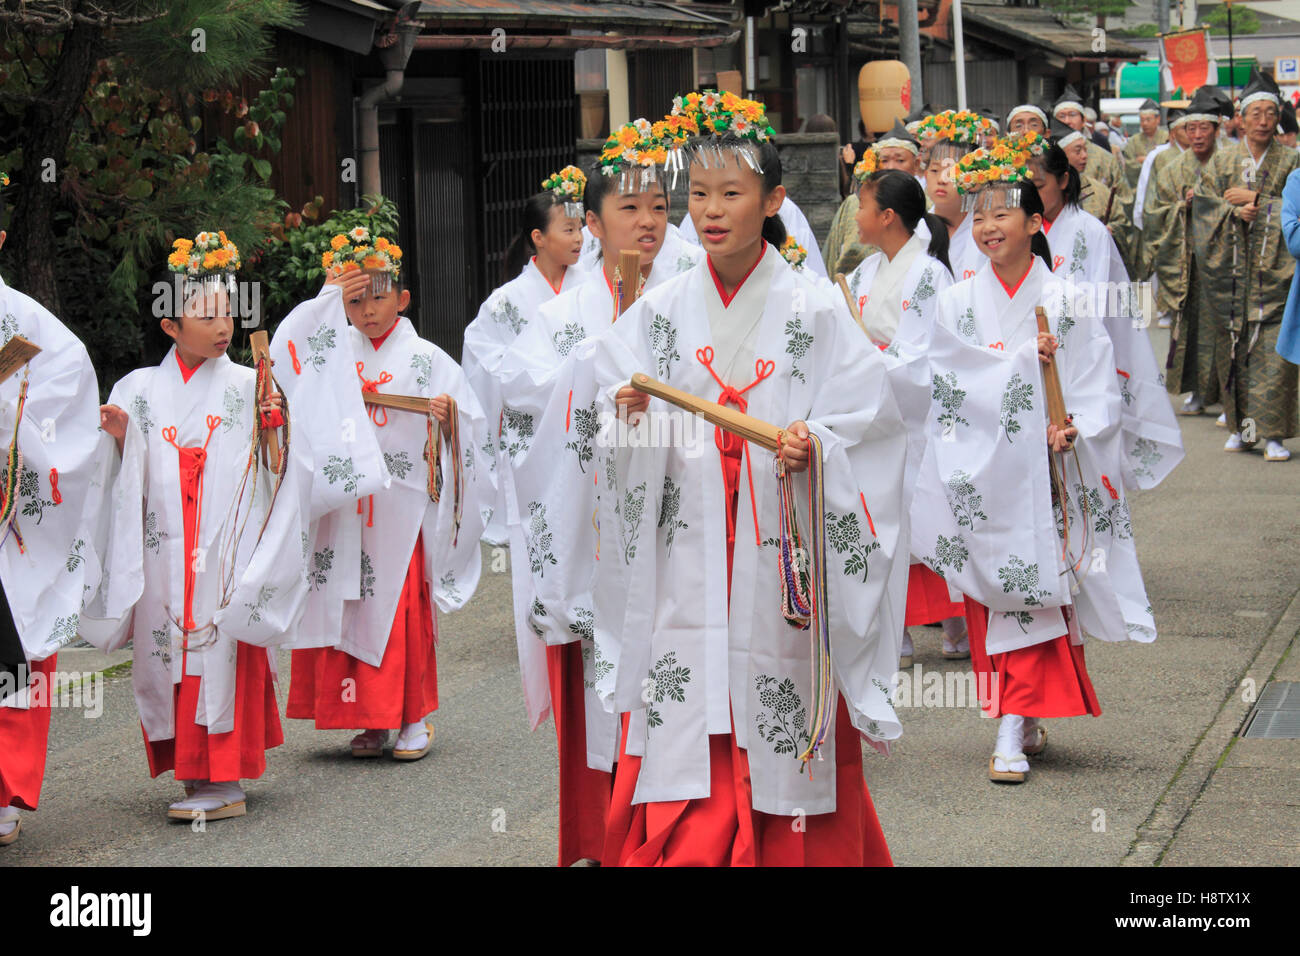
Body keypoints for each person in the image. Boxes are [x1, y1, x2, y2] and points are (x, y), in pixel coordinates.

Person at [591, 90, 908, 865]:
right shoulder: (658, 311)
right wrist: (633, 414)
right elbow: (607, 416)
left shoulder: (815, 309)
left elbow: (873, 419)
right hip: (692, 543)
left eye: (732, 193)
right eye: (697, 194)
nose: (710, 211)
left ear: (773, 200)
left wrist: (815, 445)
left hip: (776, 537)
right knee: (688, 692)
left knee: (775, 690)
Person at [913, 144, 1157, 783]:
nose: (990, 226)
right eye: (981, 214)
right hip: (983, 472)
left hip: (1046, 476)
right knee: (999, 596)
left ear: (1034, 223)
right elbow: (944, 386)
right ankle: (1021, 716)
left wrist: (1075, 425)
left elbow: (1097, 383)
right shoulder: (955, 304)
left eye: (1005, 213)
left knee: (1037, 593)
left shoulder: (1067, 300)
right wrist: (1017, 370)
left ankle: (1010, 726)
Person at [497, 116, 703, 866]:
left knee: (677, 675)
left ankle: (677, 834)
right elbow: (521, 416)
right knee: (602, 675)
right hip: (592, 527)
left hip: (679, 522)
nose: (647, 221)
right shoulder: (560, 320)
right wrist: (591, 378)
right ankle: (605, 836)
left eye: (658, 205)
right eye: (627, 207)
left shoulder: (694, 298)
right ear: (590, 222)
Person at [90, 232, 312, 821]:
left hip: (222, 547)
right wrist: (118, 443)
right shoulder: (136, 390)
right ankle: (195, 775)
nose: (223, 327)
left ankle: (226, 782)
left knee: (218, 645)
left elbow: (282, 468)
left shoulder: (249, 385)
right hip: (165, 547)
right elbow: (113, 481)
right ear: (170, 327)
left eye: (228, 314)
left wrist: (274, 430)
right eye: (205, 315)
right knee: (166, 654)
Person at [286, 228, 489, 756]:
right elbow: (297, 391)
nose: (368, 310)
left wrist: (448, 423)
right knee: (343, 603)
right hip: (347, 503)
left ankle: (413, 717)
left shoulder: (427, 359)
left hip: (400, 506)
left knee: (399, 609)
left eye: (379, 296)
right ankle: (371, 719)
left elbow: (471, 423)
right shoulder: (331, 352)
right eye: (354, 300)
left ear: (402, 298)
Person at [0, 175, 105, 846]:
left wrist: (11, 420)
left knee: (10, 649)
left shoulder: (26, 323)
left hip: (7, 517)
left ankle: (3, 793)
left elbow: (69, 381)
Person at [844, 168, 972, 672]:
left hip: (912, 412)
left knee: (922, 520)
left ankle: (952, 624)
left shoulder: (928, 273)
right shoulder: (865, 271)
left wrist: (868, 364)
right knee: (883, 522)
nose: (855, 217)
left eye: (862, 206)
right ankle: (895, 629)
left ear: (887, 216)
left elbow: (921, 351)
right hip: (874, 403)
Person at [463, 167, 587, 546]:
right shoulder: (504, 303)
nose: (579, 238)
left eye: (581, 229)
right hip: (532, 428)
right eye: (568, 230)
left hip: (584, 422)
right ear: (539, 238)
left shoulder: (595, 289)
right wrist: (547, 381)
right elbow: (485, 362)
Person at [1193, 68, 1299, 461]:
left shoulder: (1292, 162)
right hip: (1232, 276)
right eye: (1255, 113)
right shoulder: (1223, 162)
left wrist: (1257, 202)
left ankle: (1273, 434)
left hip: (1278, 275)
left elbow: (1296, 213)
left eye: (1270, 113)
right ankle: (1244, 429)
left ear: (1278, 118)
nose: (1263, 121)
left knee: (1274, 356)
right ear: (1241, 119)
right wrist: (1230, 210)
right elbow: (1203, 209)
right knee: (1234, 352)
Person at [1147, 87, 1234, 416]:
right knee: (1189, 329)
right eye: (1190, 128)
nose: (1197, 135)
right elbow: (1156, 213)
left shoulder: (1231, 164)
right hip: (1188, 262)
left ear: (1217, 129)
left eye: (1204, 129)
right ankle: (1196, 392)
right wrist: (1180, 208)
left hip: (1225, 261)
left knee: (1225, 330)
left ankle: (1229, 399)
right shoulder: (1171, 169)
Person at [822, 118, 924, 278]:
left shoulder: (929, 205)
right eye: (884, 160)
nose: (891, 167)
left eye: (900, 160)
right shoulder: (854, 203)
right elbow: (831, 254)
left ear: (916, 164)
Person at [916, 109, 993, 281]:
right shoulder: (915, 229)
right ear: (926, 174)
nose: (942, 180)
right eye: (935, 170)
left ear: (973, 177)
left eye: (952, 172)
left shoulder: (989, 229)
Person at [1054, 86, 1123, 192]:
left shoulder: (1105, 158)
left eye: (1072, 115)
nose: (1067, 121)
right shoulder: (1044, 155)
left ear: (1083, 120)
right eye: (1062, 116)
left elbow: (1123, 197)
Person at [1122, 99, 1168, 186]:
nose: (1145, 123)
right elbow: (1129, 166)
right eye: (1142, 120)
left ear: (1158, 119)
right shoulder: (1133, 141)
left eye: (1148, 120)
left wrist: (1146, 160)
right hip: (1139, 186)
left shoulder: (1166, 138)